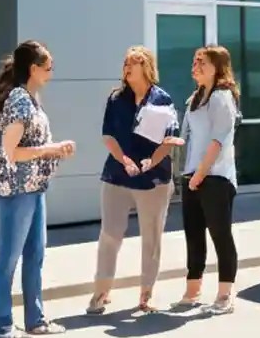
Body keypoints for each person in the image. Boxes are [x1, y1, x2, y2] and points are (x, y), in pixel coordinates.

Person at [0, 39, 75, 338]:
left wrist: (51, 151)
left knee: (35, 254)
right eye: (48, 65)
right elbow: (12, 152)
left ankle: (35, 320)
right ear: (33, 69)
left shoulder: (30, 98)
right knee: (9, 258)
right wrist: (51, 149)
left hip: (34, 188)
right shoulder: (20, 100)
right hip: (15, 191)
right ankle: (3, 325)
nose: (52, 70)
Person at [86, 46, 183, 315]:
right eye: (126, 62)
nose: (127, 66)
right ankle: (101, 292)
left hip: (154, 180)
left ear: (146, 66)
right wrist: (123, 159)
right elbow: (108, 135)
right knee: (110, 235)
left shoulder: (162, 99)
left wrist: (152, 160)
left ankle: (146, 295)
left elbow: (169, 138)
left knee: (151, 239)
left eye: (134, 62)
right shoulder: (116, 99)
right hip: (117, 176)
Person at [173, 45, 241, 315]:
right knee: (193, 236)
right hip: (193, 175)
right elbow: (190, 138)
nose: (196, 66)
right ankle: (192, 291)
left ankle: (225, 295)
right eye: (194, 61)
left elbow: (218, 140)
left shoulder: (222, 97)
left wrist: (200, 174)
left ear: (218, 67)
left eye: (203, 62)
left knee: (220, 235)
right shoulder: (195, 98)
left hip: (216, 177)